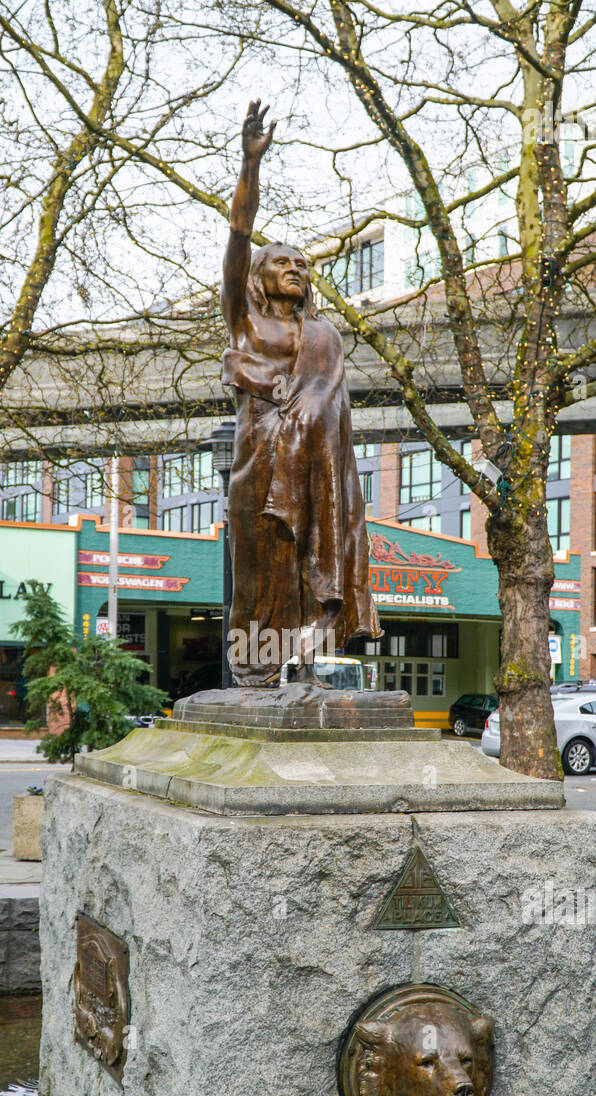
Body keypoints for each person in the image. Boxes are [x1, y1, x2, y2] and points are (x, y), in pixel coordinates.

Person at [220, 100, 380, 686]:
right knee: (261, 568)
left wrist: (308, 417)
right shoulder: (245, 324)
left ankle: (305, 667)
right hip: (255, 463)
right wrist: (249, 164)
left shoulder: (325, 336)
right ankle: (253, 673)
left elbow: (331, 405)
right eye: (282, 262)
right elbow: (239, 232)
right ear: (258, 278)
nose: (296, 270)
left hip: (312, 471)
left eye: (303, 266)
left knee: (305, 562)